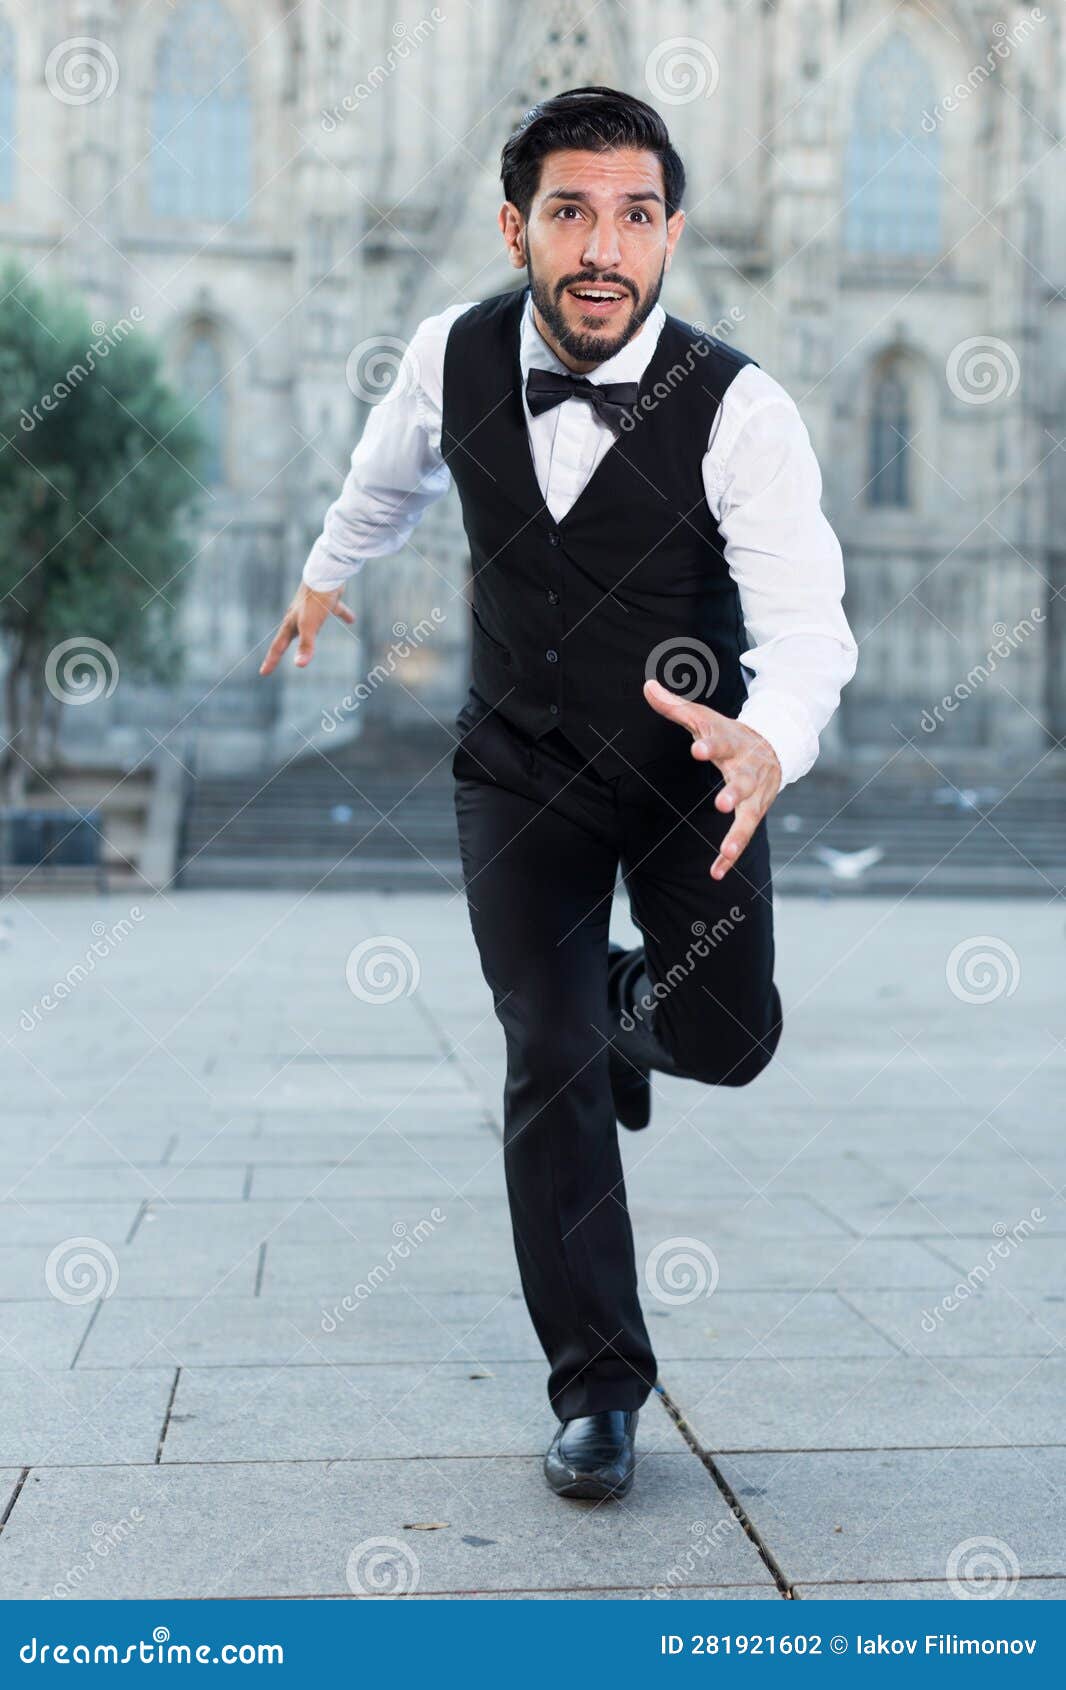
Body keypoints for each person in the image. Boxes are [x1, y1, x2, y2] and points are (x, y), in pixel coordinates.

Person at [261, 85, 858, 1504]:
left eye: (635, 216)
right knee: (544, 1052)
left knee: (725, 1035)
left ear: (669, 235)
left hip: (684, 775)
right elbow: (384, 481)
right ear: (515, 225)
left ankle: (628, 1016)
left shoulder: (739, 406)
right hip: (516, 767)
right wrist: (325, 574)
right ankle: (596, 1387)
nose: (604, 247)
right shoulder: (451, 352)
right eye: (572, 211)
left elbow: (810, 623)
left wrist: (766, 738)